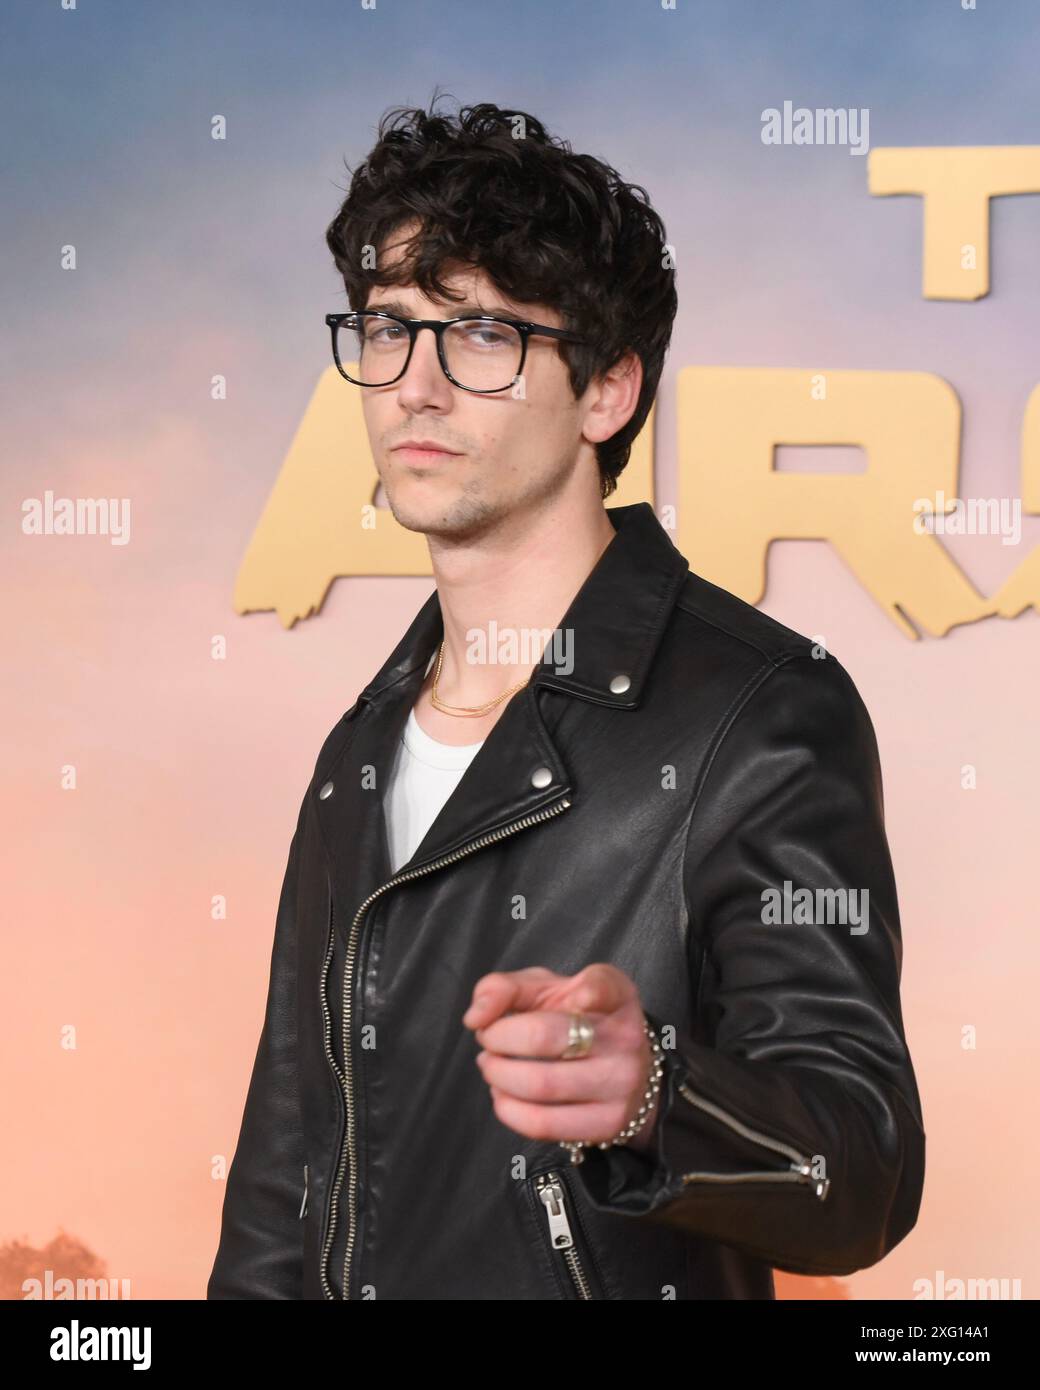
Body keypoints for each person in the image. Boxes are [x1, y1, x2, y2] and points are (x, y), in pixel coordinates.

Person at [207, 100, 925, 1300]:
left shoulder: (758, 710)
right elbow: (286, 1191)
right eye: (387, 327)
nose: (414, 387)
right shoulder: (359, 750)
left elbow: (856, 1171)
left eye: (480, 335)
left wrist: (654, 1093)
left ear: (605, 391)